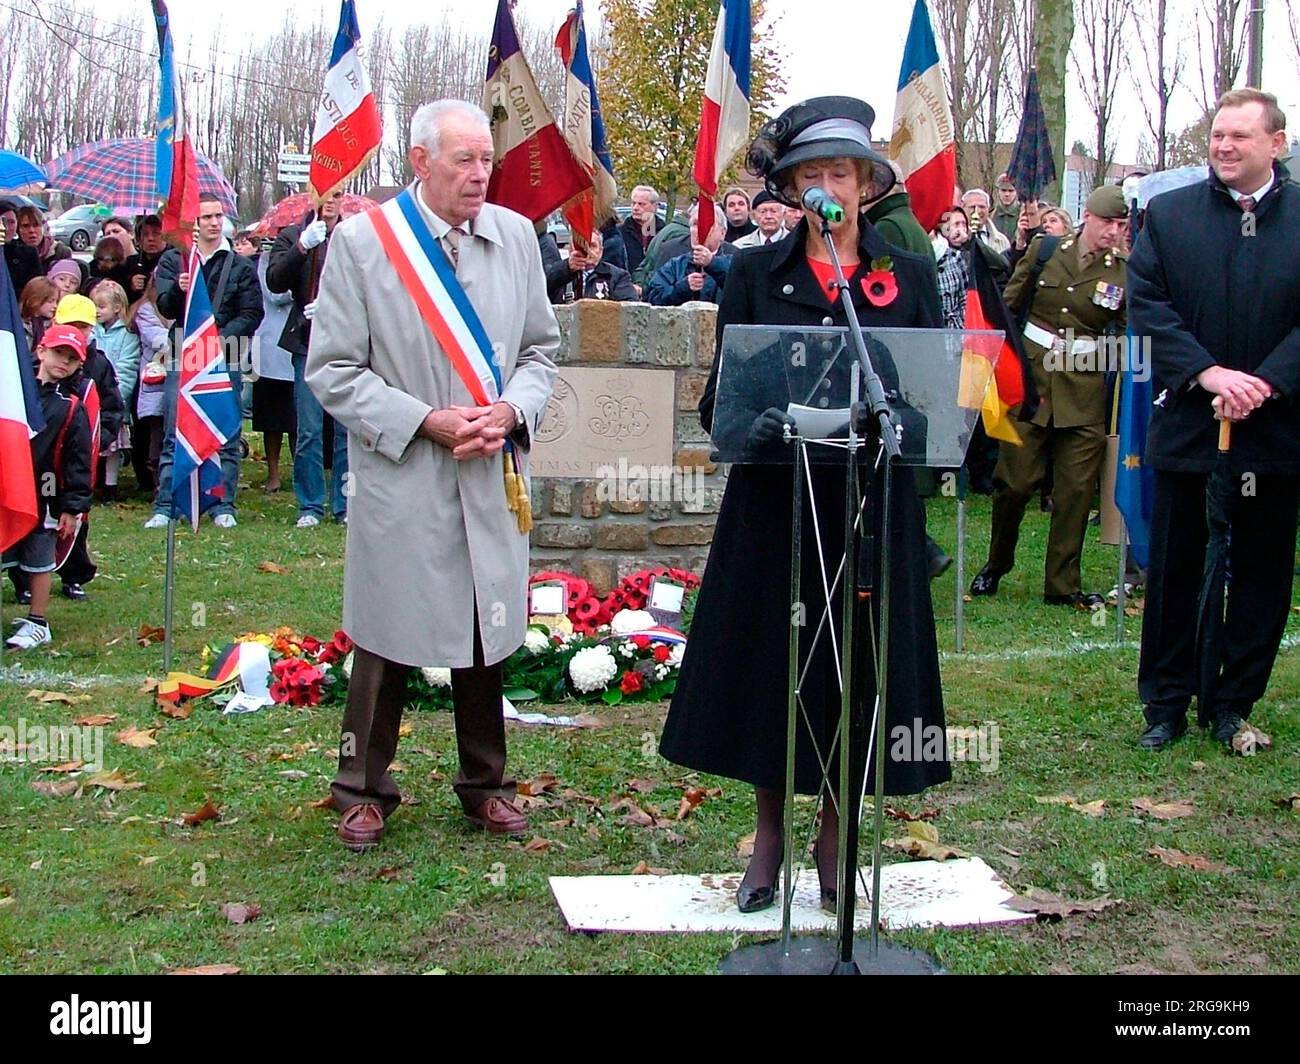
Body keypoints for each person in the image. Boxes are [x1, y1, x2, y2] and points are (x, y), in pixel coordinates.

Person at [659, 96, 950, 914]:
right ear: (791, 189)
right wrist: (764, 421)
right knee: (773, 666)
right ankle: (769, 837)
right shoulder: (756, 273)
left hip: (869, 505)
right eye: (813, 174)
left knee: (858, 667)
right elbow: (723, 399)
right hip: (777, 505)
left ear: (865, 185)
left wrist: (892, 419)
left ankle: (834, 836)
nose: (829, 187)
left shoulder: (907, 276)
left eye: (842, 173)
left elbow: (930, 400)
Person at [305, 99, 559, 850]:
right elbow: (334, 370)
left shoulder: (515, 237)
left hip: (490, 467)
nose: (480, 174)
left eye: (487, 160)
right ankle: (361, 786)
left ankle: (487, 784)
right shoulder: (361, 244)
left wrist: (511, 411)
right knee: (386, 631)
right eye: (463, 160)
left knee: (486, 625)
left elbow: (539, 353)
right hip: (405, 468)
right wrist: (425, 421)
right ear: (420, 161)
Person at [1129, 89, 1300, 751]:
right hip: (1192, 425)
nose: (1224, 147)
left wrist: (1264, 383)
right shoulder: (1171, 216)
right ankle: (1166, 704)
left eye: (1240, 136)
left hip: (1274, 430)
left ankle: (1233, 702)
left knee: (1260, 572)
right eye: (1218, 135)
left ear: (1276, 144)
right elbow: (1148, 306)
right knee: (1176, 567)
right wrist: (1208, 374)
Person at [969, 184, 1130, 609]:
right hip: (1032, 384)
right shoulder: (1046, 250)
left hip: (1083, 393)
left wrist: (1103, 358)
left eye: (1121, 225)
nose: (1114, 231)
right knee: (1014, 484)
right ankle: (997, 562)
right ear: (1088, 217)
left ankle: (1062, 583)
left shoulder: (1123, 272)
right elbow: (1009, 305)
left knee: (1075, 492)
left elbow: (1128, 336)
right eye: (1108, 222)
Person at [147, 193, 264, 529]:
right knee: (175, 429)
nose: (213, 223)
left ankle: (222, 503)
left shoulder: (240, 265)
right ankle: (167, 504)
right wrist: (179, 289)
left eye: (217, 216)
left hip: (225, 355)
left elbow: (252, 312)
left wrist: (216, 341)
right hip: (182, 353)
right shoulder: (175, 260)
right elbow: (166, 307)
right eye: (206, 217)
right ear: (192, 224)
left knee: (225, 431)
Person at [2, 326, 92, 650]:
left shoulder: (71, 407)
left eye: (71, 359)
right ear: (41, 351)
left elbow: (78, 461)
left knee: (39, 554)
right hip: (7, 486)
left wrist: (72, 507)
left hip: (45, 491)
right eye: (58, 353)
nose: (63, 362)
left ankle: (38, 620)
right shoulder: (11, 391)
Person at [266, 191, 350, 527]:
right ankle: (310, 504)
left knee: (346, 429)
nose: (330, 201)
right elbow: (275, 281)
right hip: (306, 339)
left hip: (346, 340)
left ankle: (345, 503)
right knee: (309, 428)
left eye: (337, 195)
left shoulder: (353, 234)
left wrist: (336, 306)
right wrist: (301, 247)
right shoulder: (292, 235)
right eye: (325, 194)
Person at [249, 239, 296, 493]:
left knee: (298, 418)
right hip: (270, 348)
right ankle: (273, 473)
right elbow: (275, 294)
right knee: (272, 419)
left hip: (298, 344)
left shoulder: (309, 256)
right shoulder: (264, 262)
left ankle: (301, 472)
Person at [90, 280, 139, 504]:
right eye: (94, 306)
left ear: (117, 308)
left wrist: (115, 397)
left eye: (102, 306)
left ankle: (111, 486)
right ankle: (91, 484)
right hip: (90, 398)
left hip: (113, 400)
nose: (97, 311)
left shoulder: (128, 337)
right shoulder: (91, 333)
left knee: (113, 447)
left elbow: (127, 371)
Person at [125, 276, 171, 495]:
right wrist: (190, 338)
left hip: (183, 376)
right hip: (156, 383)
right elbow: (159, 340)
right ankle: (156, 484)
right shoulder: (145, 310)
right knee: (157, 434)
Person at [646, 201, 732, 307]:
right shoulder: (674, 265)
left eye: (708, 224)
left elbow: (740, 286)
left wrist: (712, 263)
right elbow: (652, 297)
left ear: (722, 233)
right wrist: (683, 288)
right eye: (695, 224)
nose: (700, 230)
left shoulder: (735, 262)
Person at [545, 228, 637, 303]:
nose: (588, 251)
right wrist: (566, 268)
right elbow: (541, 288)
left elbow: (629, 309)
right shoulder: (558, 274)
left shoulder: (617, 276)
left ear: (601, 251)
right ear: (570, 250)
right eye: (581, 246)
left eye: (592, 246)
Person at [617, 184, 666, 278]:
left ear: (654, 206)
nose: (635, 208)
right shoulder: (619, 232)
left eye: (641, 204)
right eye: (633, 203)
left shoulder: (663, 232)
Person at [1, 199, 42, 296]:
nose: (6, 227)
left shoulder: (28, 253)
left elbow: (37, 291)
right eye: (2, 221)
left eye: (11, 222)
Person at [961, 188, 1012, 254]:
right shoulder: (956, 239)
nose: (978, 211)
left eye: (982, 207)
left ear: (988, 208)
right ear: (963, 209)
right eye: (972, 207)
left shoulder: (1002, 241)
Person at [18, 276, 58, 351]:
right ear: (35, 299)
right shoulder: (18, 324)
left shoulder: (50, 325)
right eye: (50, 301)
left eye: (56, 301)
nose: (55, 306)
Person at [991, 173, 1021, 245]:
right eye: (1003, 190)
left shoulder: (1024, 214)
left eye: (1011, 191)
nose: (1007, 194)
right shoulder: (991, 215)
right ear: (998, 192)